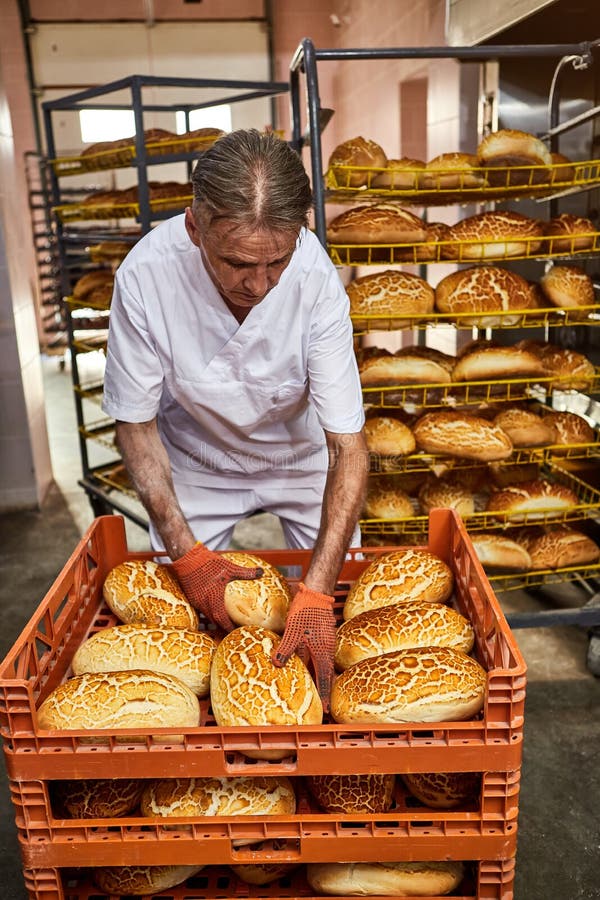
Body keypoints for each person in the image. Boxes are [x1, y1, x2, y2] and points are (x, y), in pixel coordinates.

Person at [102, 129, 368, 710]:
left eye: (277, 260)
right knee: (181, 630)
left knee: (341, 611)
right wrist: (187, 553)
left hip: (300, 460)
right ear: (196, 229)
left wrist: (318, 589)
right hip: (196, 462)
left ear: (300, 232)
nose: (259, 283)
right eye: (237, 262)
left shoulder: (315, 281)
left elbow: (349, 447)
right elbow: (135, 423)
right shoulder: (146, 276)